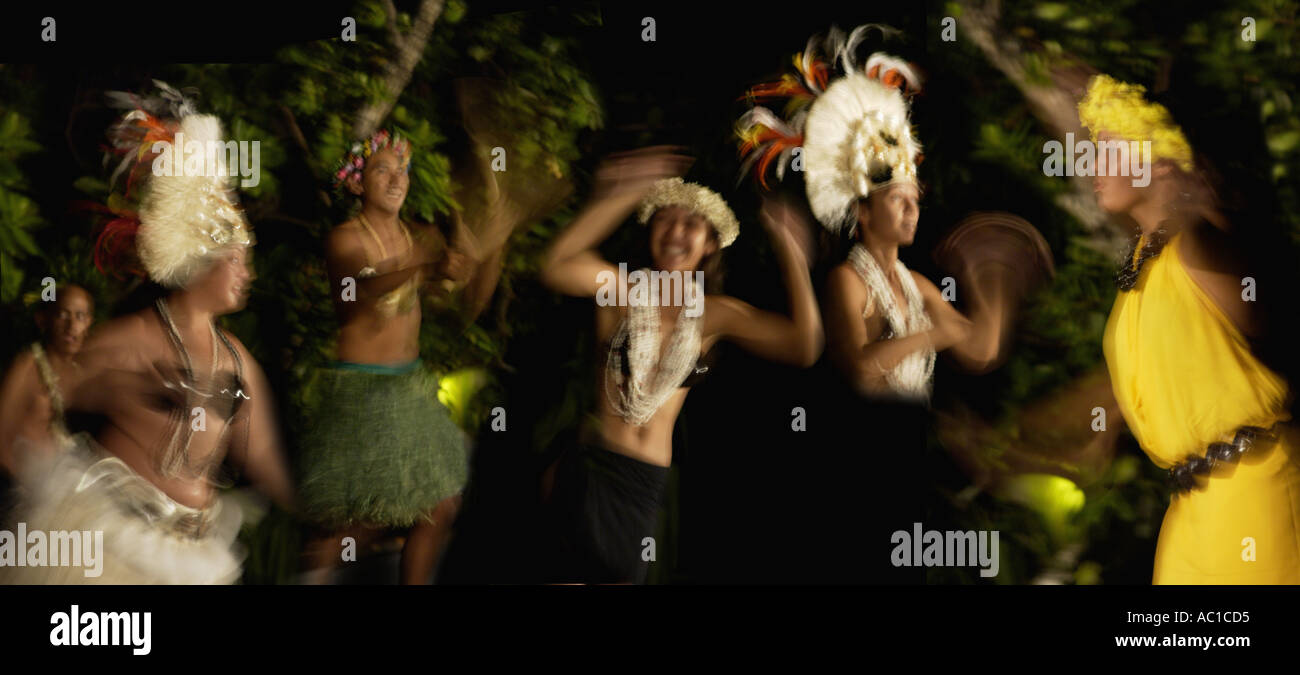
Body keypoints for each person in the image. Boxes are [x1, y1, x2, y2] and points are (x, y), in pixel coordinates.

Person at [0, 87, 293, 584]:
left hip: (191, 555)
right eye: (235, 261)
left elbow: (261, 453)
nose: (247, 273)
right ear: (200, 264)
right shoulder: (135, 337)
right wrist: (32, 458)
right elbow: (50, 386)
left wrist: (316, 507)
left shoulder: (238, 362)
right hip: (111, 539)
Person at [539, 146, 823, 583]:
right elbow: (555, 265)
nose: (675, 230)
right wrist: (623, 194)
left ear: (710, 244)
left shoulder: (713, 315)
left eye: (691, 224)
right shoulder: (621, 289)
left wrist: (792, 257)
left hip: (642, 485)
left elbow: (805, 346)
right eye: (665, 218)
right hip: (592, 468)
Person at [1080, 74, 1300, 583]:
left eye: (1108, 147)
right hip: (1188, 517)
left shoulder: (1201, 243)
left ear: (1159, 156)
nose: (1092, 165)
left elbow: (1283, 338)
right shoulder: (1141, 264)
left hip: (1257, 497)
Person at [296, 129, 515, 584]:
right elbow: (361, 289)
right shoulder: (344, 239)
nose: (398, 179)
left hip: (408, 386)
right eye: (383, 170)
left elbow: (463, 305)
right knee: (372, 519)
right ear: (357, 184)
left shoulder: (418, 237)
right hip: (364, 389)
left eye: (403, 171)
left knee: (438, 505)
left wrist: (493, 252)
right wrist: (427, 266)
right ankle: (315, 569)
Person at [0, 284, 95, 475]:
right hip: (20, 485)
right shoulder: (27, 365)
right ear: (43, 320)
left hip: (70, 483)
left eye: (80, 316)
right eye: (62, 315)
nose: (72, 326)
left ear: (89, 323)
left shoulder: (87, 371)